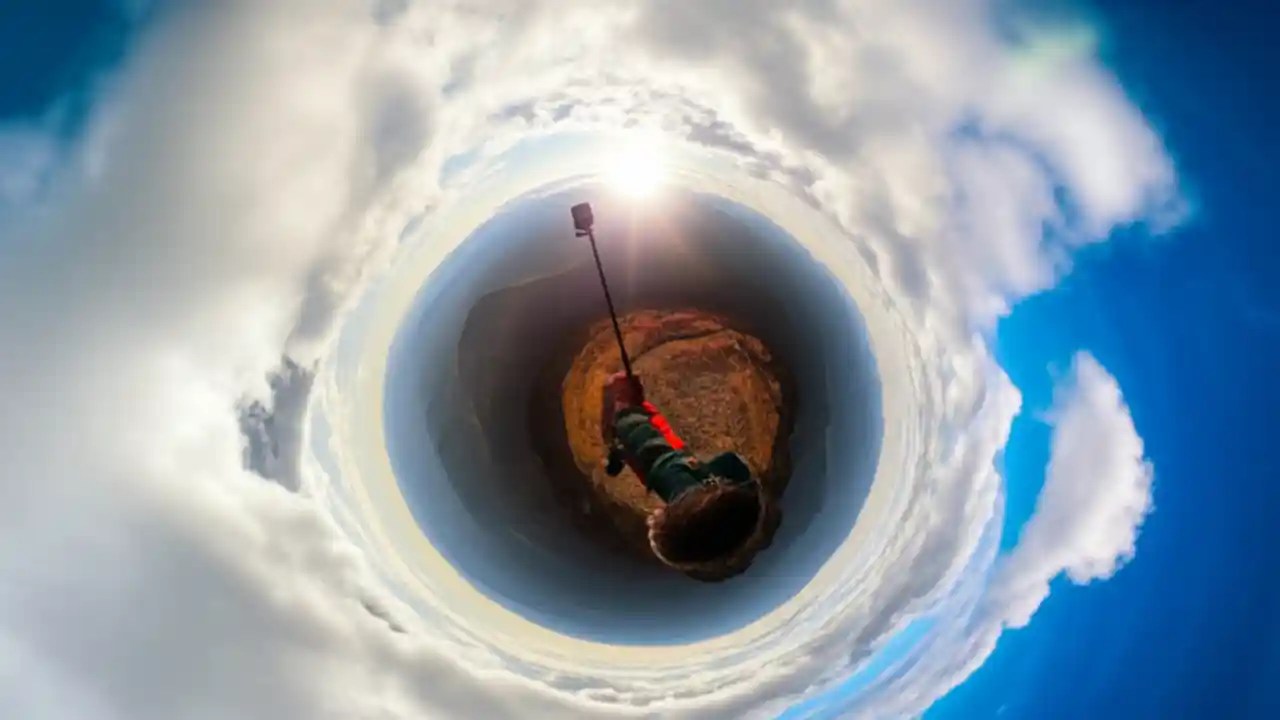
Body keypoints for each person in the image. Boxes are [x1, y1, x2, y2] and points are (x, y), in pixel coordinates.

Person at [600, 371, 767, 577]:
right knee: (633, 434)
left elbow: (732, 463)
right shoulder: (673, 481)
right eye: (657, 521)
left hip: (675, 458)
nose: (653, 517)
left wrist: (734, 488)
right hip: (657, 457)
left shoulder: (703, 487)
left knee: (645, 438)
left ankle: (616, 452)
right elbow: (641, 439)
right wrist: (625, 407)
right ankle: (616, 448)